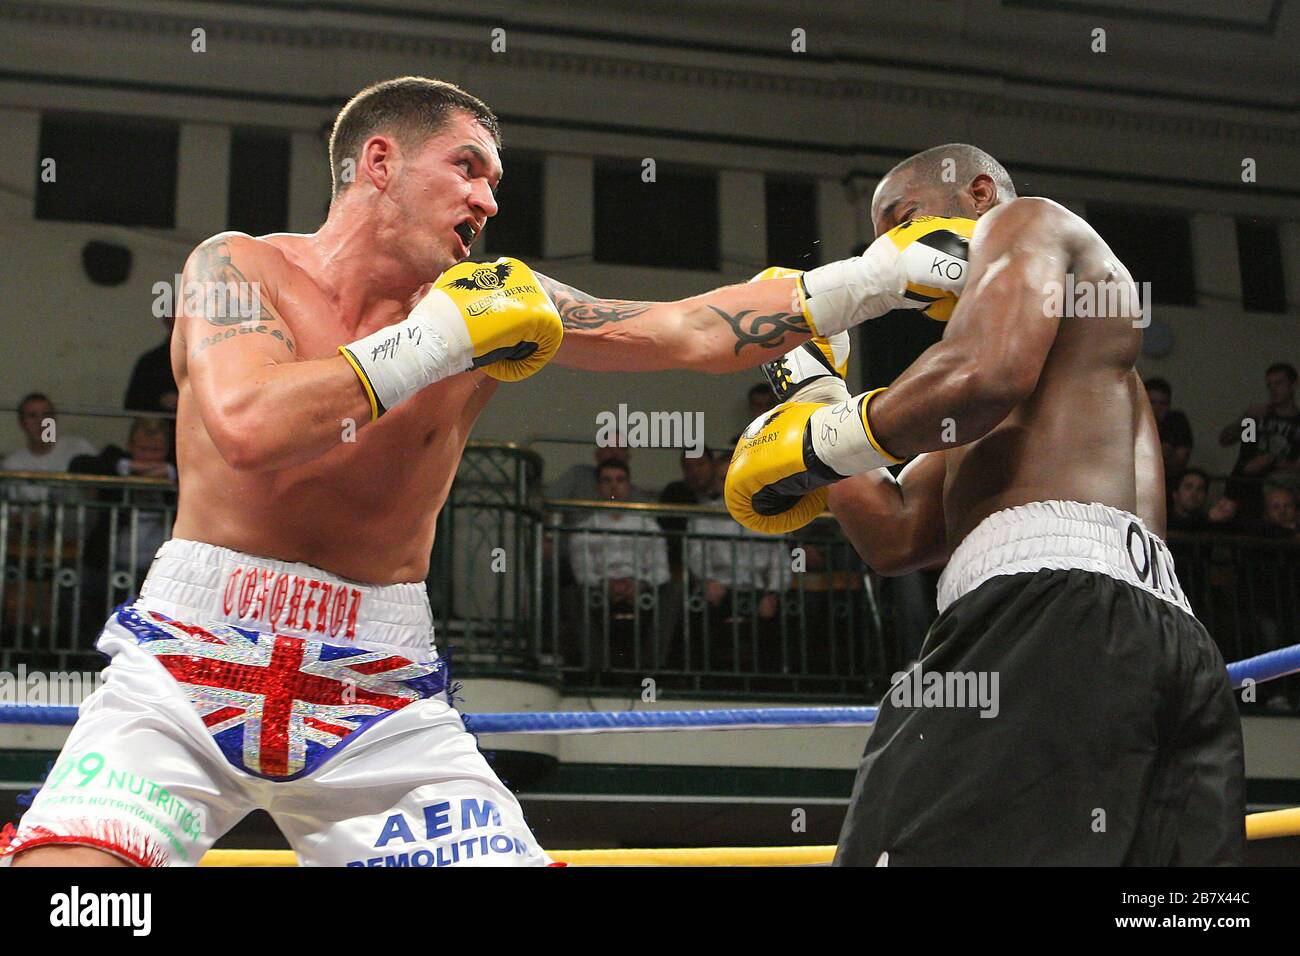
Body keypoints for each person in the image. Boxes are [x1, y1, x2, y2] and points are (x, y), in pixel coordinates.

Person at [4, 75, 842, 868]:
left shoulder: (497, 302)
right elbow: (251, 427)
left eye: (494, 181)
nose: (488, 197)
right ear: (379, 163)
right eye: (467, 166)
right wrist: (438, 340)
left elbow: (683, 330)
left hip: (379, 689)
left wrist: (874, 280)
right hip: (190, 657)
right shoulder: (235, 269)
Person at [726, 143, 1244, 865]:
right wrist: (813, 389)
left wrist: (816, 442)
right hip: (1166, 647)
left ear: (976, 194)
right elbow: (897, 534)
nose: (894, 255)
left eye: (903, 221)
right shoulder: (1021, 393)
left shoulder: (1029, 221)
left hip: (1050, 618)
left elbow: (982, 371)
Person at [1218, 363, 1300, 520]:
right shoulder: (1257, 417)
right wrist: (1245, 418)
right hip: (1244, 487)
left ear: (1293, 385)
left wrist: (1271, 463)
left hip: (1280, 491)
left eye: (1279, 383)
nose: (1274, 389)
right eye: (1270, 385)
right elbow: (1226, 440)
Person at [2, 393, 97, 504]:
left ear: (54, 420)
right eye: (32, 416)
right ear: (22, 423)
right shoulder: (12, 465)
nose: (41, 423)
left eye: (46, 415)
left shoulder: (79, 448)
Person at [1145, 377, 1193, 480]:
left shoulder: (1177, 422)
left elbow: (1179, 462)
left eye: (1162, 403)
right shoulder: (1129, 423)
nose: (1157, 408)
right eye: (1152, 403)